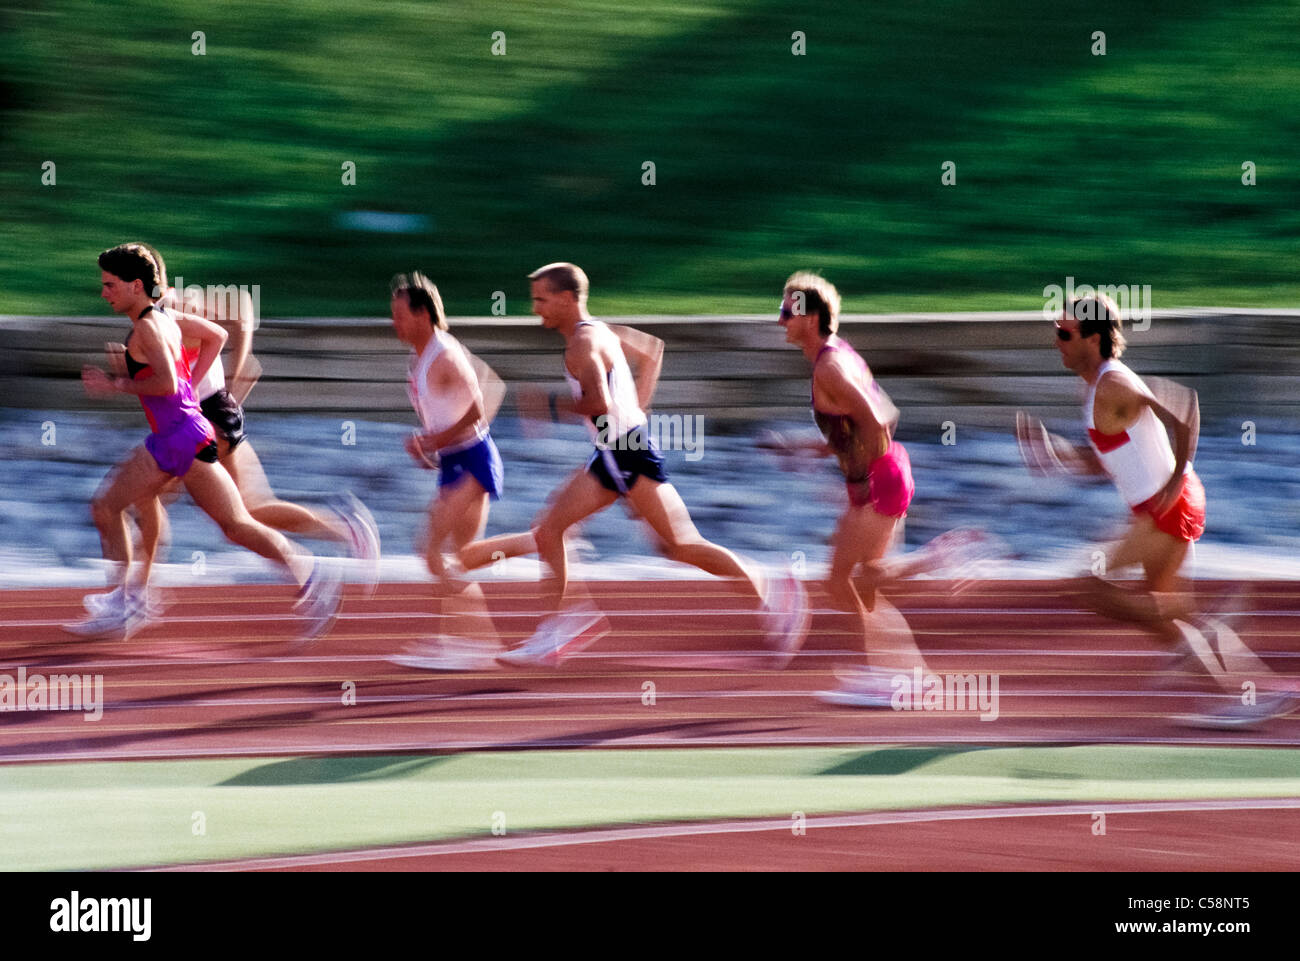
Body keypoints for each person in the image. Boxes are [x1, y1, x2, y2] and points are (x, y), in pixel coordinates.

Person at [458, 262, 807, 667]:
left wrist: (548, 404)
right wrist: (638, 407)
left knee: (674, 544)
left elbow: (598, 404)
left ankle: (772, 594)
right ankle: (561, 626)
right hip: (619, 448)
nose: (536, 308)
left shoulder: (581, 346)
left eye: (542, 299)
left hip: (623, 452)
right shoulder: (599, 330)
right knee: (560, 529)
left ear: (568, 298)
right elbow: (652, 351)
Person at [1018, 291, 1296, 726]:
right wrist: (1058, 458)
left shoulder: (1115, 383)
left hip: (1165, 508)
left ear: (1092, 339)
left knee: (1086, 584)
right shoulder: (1093, 388)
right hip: (1167, 505)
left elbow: (1185, 411)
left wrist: (1173, 478)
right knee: (1175, 614)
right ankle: (1248, 696)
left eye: (1064, 333)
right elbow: (1109, 459)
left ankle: (1207, 641)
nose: (1056, 340)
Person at [82, 246, 378, 625]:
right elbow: (206, 345)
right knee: (235, 514)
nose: (104, 292)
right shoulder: (159, 316)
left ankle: (133, 595)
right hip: (191, 423)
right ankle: (133, 593)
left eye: (110, 284)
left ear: (140, 282)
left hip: (198, 421)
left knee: (187, 510)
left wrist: (121, 383)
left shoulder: (168, 311)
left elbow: (230, 325)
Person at [765, 272, 953, 706]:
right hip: (882, 476)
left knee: (842, 581)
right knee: (864, 584)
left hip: (879, 483)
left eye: (786, 312)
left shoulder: (829, 366)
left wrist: (864, 475)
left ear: (810, 318)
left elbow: (875, 421)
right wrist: (814, 450)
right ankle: (902, 674)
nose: (780, 322)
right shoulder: (837, 356)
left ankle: (938, 558)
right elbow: (879, 415)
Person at [387, 271, 509, 671]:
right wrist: (429, 443)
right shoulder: (420, 357)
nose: (394, 323)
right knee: (458, 557)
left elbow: (477, 409)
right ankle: (470, 643)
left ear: (423, 314)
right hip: (456, 461)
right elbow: (450, 410)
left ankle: (460, 641)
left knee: (429, 549)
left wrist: (433, 443)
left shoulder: (445, 354)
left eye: (400, 314)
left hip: (473, 459)